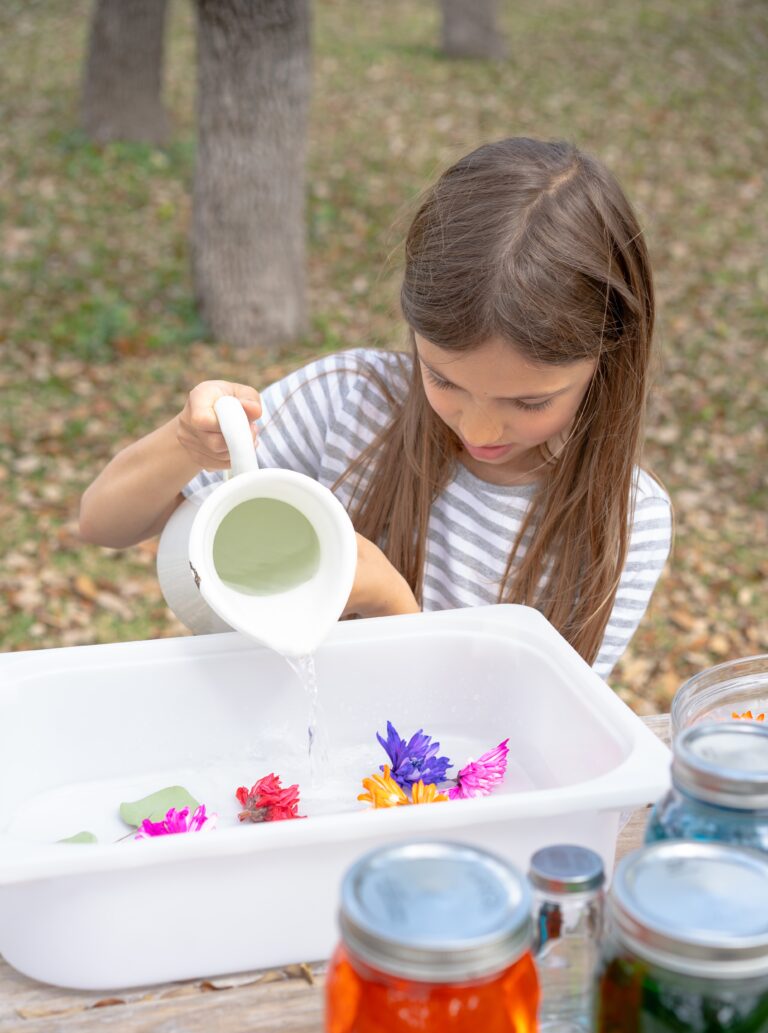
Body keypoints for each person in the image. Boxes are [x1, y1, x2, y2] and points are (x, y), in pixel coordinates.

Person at [80, 137, 672, 679]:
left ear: (609, 357)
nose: (480, 427)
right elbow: (102, 524)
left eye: (530, 401)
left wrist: (390, 604)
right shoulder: (351, 400)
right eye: (442, 379)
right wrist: (186, 444)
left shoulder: (625, 520)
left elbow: (514, 745)